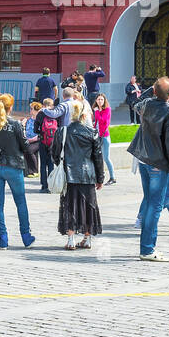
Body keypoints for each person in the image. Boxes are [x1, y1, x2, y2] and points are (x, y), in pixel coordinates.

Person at [127, 76, 169, 262]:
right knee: (154, 206)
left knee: (150, 203)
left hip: (145, 160)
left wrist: (152, 90)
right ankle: (147, 249)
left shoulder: (147, 105)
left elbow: (135, 102)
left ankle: (146, 246)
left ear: (154, 91)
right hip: (157, 164)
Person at [53, 98, 105, 250]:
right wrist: (100, 177)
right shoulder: (92, 132)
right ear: (84, 115)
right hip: (88, 174)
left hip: (69, 175)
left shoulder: (63, 131)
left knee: (70, 206)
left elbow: (55, 153)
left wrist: (61, 164)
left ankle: (71, 239)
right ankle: (87, 238)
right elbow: (98, 157)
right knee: (89, 206)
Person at [0, 94, 35, 248]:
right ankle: (26, 236)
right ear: (10, 107)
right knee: (20, 202)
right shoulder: (15, 124)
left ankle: (3, 238)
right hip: (13, 167)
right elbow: (25, 146)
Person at [92, 93, 117, 185]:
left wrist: (97, 112)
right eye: (98, 99)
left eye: (101, 99)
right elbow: (96, 122)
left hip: (105, 137)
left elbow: (103, 120)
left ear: (104, 100)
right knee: (97, 158)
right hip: (97, 137)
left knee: (106, 158)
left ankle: (112, 177)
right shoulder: (97, 110)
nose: (100, 101)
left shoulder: (107, 109)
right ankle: (99, 177)